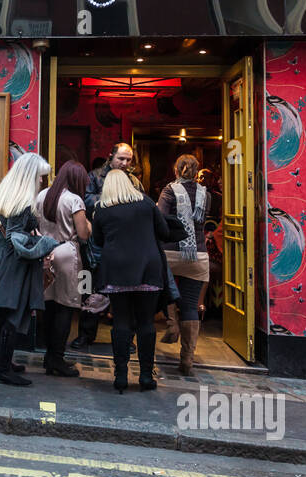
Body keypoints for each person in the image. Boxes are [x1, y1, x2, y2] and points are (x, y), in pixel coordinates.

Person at [0, 153, 58, 386]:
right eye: (40, 177)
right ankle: (2, 368)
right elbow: (15, 240)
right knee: (12, 313)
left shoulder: (4, 195)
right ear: (29, 177)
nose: (42, 182)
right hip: (13, 265)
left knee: (4, 312)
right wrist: (45, 244)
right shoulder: (22, 203)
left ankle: (3, 362)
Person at [92, 169, 182, 393]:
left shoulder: (102, 209)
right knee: (146, 323)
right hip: (148, 270)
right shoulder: (146, 203)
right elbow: (163, 231)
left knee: (121, 321)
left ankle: (120, 375)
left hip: (117, 271)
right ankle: (145, 376)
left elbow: (98, 240)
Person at [73, 142, 137, 350]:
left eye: (128, 160)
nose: (125, 163)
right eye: (121, 159)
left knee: (123, 294)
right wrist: (114, 200)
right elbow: (84, 201)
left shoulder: (134, 180)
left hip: (124, 246)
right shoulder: (94, 176)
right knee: (88, 290)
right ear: (111, 156)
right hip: (94, 245)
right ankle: (85, 335)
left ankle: (123, 339)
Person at [158, 155, 215, 375]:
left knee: (164, 291)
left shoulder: (169, 190)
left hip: (171, 253)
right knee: (190, 306)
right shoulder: (206, 195)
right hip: (197, 255)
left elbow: (161, 218)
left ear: (175, 169)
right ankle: (187, 360)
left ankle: (172, 324)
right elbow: (200, 221)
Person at [35, 159, 89, 377]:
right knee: (65, 308)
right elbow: (83, 235)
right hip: (67, 254)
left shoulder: (42, 195)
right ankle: (57, 358)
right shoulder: (75, 200)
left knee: (47, 307)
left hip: (45, 254)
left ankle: (49, 356)